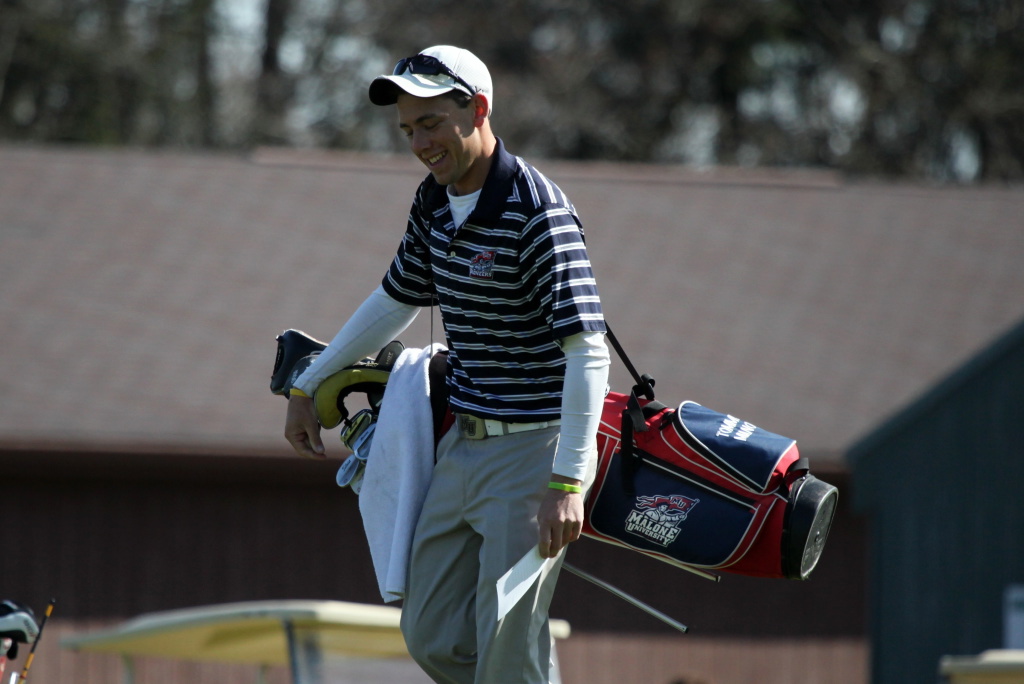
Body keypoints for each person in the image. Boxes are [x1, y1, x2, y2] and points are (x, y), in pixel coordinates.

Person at [284, 45, 610, 683]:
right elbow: (393, 301)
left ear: (478, 109)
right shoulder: (434, 202)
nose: (419, 143)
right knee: (431, 633)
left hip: (533, 457)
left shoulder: (537, 211)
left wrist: (568, 483)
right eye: (408, 129)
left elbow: (587, 350)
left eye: (431, 122)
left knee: (507, 647)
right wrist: (309, 382)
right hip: (461, 446)